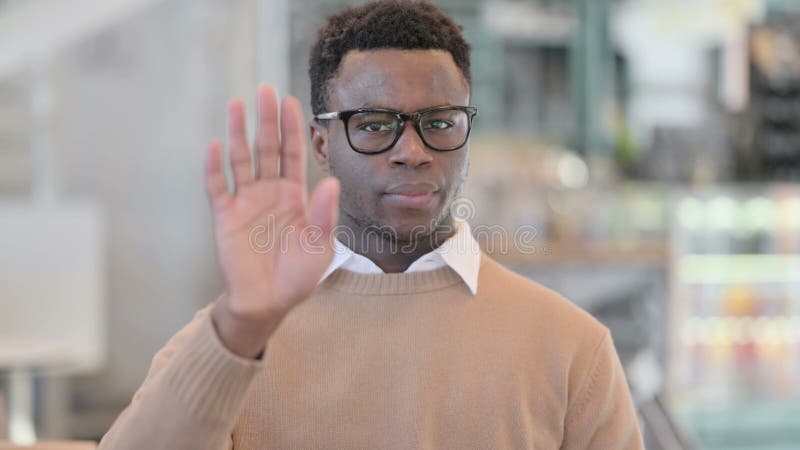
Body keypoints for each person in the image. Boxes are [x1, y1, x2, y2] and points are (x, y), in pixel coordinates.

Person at [98, 1, 644, 448]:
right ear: (321, 144)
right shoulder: (237, 339)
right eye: (375, 124)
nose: (411, 150)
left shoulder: (572, 348)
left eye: (440, 122)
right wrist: (239, 328)